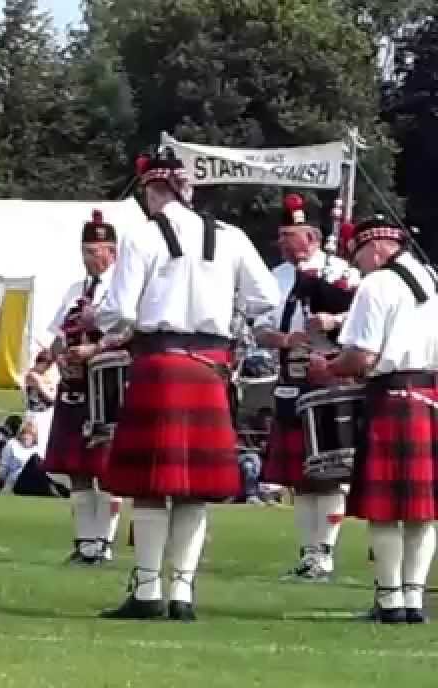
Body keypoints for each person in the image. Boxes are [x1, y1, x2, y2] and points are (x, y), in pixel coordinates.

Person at [95, 151, 279, 621]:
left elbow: (117, 310)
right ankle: (182, 594)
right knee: (195, 487)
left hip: (160, 361)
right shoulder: (231, 237)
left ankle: (149, 590)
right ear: (188, 190)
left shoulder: (140, 236)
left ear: (151, 191)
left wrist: (113, 326)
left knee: (151, 484)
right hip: (210, 364)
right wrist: (228, 317)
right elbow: (267, 299)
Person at [310, 218, 438, 624]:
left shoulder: (378, 283)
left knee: (385, 509)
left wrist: (328, 367)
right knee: (423, 510)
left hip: (391, 395)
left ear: (378, 247)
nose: (358, 264)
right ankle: (414, 600)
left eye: (358, 254)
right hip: (430, 394)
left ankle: (389, 600)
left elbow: (362, 356)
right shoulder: (431, 277)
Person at [252, 194, 359, 581]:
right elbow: (258, 329)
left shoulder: (343, 273)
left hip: (331, 379)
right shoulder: (274, 278)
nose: (283, 242)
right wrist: (284, 340)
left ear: (311, 236)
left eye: (290, 234)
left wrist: (332, 323)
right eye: (281, 235)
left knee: (328, 473)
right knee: (301, 476)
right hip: (289, 382)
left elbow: (365, 318)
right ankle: (309, 552)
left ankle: (325, 552)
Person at [43, 210, 122, 566]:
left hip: (107, 386)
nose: (89, 258)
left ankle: (103, 542)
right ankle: (84, 541)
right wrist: (53, 359)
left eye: (96, 251)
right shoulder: (76, 289)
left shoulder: (123, 291)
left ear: (113, 252)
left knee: (104, 466)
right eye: (85, 251)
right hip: (74, 383)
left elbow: (133, 332)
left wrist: (96, 347)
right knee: (76, 467)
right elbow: (59, 333)